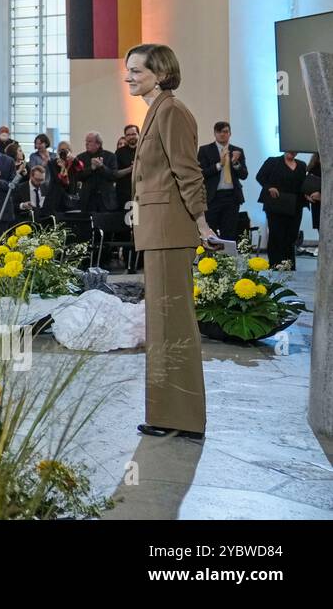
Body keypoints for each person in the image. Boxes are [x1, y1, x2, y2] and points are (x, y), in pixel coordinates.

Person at [125, 43, 214, 440]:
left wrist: (203, 222)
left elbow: (187, 171)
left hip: (170, 230)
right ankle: (168, 414)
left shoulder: (172, 111)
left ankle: (181, 417)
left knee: (173, 324)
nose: (129, 77)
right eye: (128, 70)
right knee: (162, 325)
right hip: (157, 229)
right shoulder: (156, 111)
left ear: (159, 74)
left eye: (137, 71)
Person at [256, 150, 308, 269]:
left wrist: (308, 194)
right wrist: (269, 187)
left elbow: (303, 184)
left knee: (291, 237)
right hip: (276, 205)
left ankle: (289, 266)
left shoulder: (301, 165)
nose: (292, 152)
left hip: (295, 206)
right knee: (276, 236)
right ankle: (275, 265)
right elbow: (260, 177)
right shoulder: (272, 162)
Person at [198, 121, 247, 244]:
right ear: (214, 133)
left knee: (229, 233)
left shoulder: (237, 151)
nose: (222, 134)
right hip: (213, 197)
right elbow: (201, 173)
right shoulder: (205, 150)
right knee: (211, 233)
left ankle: (228, 262)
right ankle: (211, 262)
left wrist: (235, 163)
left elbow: (244, 175)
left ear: (230, 133)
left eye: (225, 131)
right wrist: (220, 165)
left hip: (232, 197)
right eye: (219, 132)